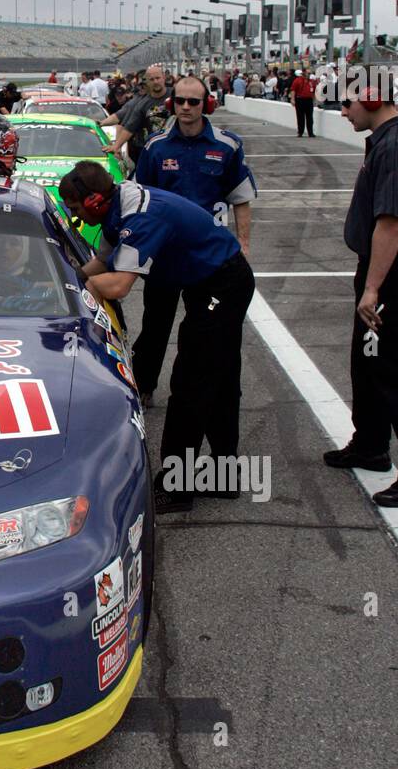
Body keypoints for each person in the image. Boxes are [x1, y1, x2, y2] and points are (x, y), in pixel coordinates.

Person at [59, 162, 255, 512]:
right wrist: (61, 283)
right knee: (220, 379)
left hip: (223, 284)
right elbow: (100, 263)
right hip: (208, 281)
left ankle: (177, 489)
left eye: (74, 208)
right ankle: (225, 477)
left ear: (93, 201)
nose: (73, 215)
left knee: (191, 382)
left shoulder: (143, 218)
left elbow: (116, 285)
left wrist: (83, 288)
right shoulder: (119, 204)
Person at [131, 74, 256, 408]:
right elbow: (138, 199)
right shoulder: (155, 146)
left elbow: (241, 197)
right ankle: (144, 385)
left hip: (209, 260)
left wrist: (243, 243)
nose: (186, 107)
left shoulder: (227, 145)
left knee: (210, 326)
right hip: (165, 257)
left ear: (207, 105)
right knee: (155, 326)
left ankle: (213, 389)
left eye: (194, 102)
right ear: (172, 103)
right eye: (180, 101)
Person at [323, 76, 398, 507]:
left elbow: (391, 222)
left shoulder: (392, 146)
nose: (342, 111)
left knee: (388, 369)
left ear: (371, 98)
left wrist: (373, 286)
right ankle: (369, 443)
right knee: (367, 363)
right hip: (376, 271)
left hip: (388, 276)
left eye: (347, 102)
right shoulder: (382, 139)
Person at [101, 62, 170, 166]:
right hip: (154, 151)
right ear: (147, 82)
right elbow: (129, 127)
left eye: (158, 78)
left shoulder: (176, 95)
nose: (155, 82)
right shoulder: (141, 104)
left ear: (164, 78)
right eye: (151, 79)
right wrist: (116, 146)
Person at [289, 65, 316, 137]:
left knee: (310, 117)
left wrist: (314, 100)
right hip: (300, 100)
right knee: (300, 117)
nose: (309, 75)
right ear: (303, 72)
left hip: (309, 100)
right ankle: (300, 132)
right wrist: (292, 99)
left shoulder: (311, 82)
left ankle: (310, 132)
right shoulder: (297, 80)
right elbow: (293, 90)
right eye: (308, 73)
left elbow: (313, 91)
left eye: (310, 73)